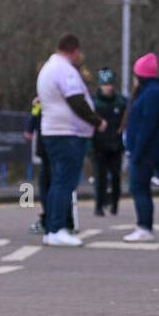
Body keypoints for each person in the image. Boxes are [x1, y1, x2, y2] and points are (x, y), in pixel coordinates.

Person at [35, 34, 105, 247]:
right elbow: (76, 100)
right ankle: (57, 228)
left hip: (53, 130)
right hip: (67, 132)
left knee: (58, 181)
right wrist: (96, 121)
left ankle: (52, 228)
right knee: (65, 182)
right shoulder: (64, 70)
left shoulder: (48, 68)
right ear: (74, 50)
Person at [123, 53, 159, 242]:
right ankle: (144, 225)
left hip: (144, 151)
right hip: (144, 149)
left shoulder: (151, 94)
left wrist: (137, 151)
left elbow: (146, 125)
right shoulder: (151, 92)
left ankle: (144, 226)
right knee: (140, 188)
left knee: (138, 188)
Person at [91, 68, 127, 217]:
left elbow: (125, 121)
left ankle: (114, 204)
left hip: (115, 145)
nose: (108, 87)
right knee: (100, 178)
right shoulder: (94, 103)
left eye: (110, 84)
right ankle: (99, 205)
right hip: (99, 146)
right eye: (105, 85)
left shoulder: (120, 102)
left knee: (116, 177)